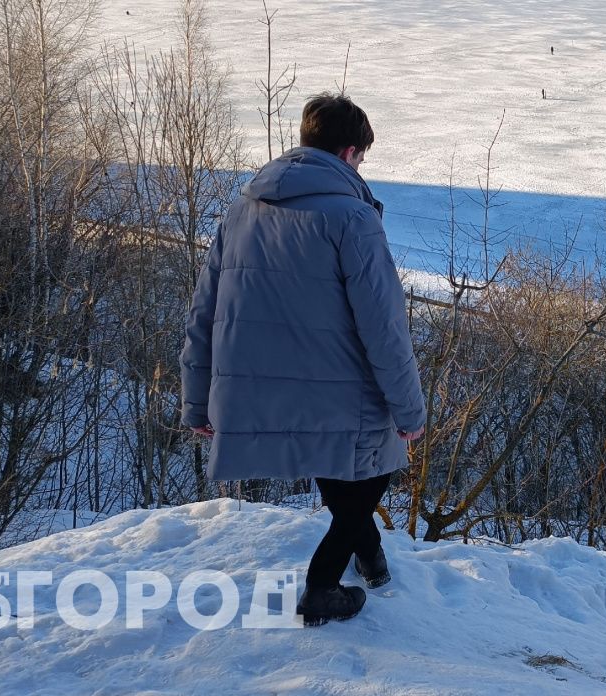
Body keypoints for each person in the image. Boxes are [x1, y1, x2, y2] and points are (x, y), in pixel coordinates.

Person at [179, 93, 426, 627]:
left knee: (342, 480)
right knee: (369, 477)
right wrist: (409, 411)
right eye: (362, 158)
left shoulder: (242, 210)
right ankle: (321, 589)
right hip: (343, 393)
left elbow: (204, 313)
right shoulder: (352, 218)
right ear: (351, 151)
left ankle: (371, 558)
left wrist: (197, 402)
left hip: (269, 392)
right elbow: (384, 327)